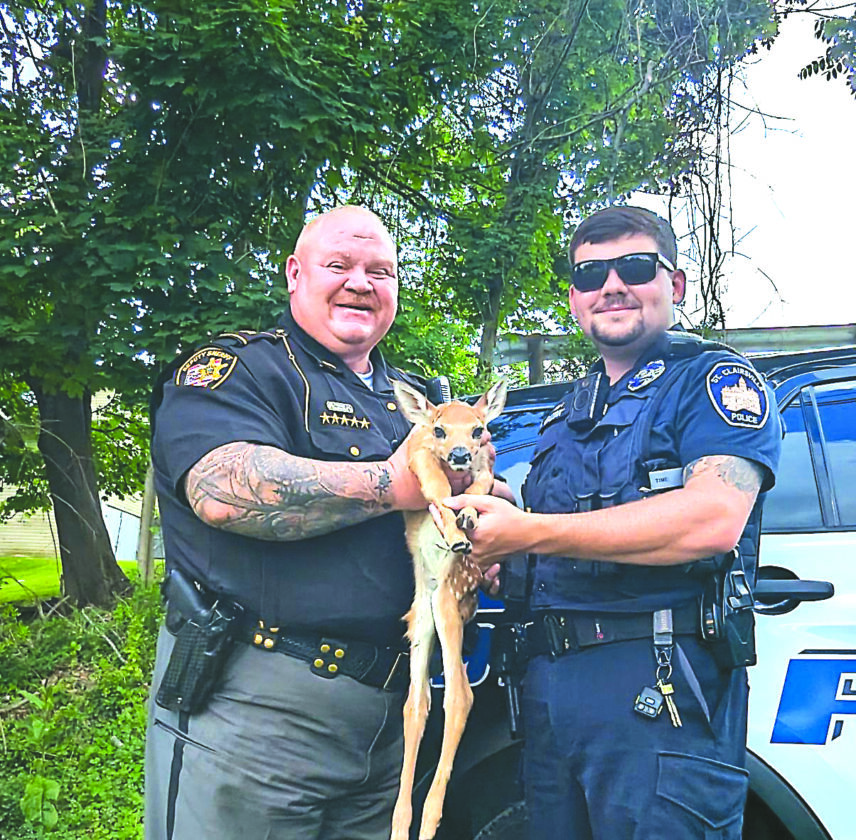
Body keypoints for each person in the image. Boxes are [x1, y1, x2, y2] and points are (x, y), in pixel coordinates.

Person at [144, 206, 500, 840]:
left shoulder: (416, 400)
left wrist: (480, 547)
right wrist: (397, 485)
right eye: (338, 265)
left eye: (379, 271)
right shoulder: (244, 370)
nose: (360, 282)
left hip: (391, 722)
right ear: (294, 273)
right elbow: (221, 490)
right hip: (256, 712)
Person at [447, 206, 782, 839]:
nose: (612, 285)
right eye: (591, 273)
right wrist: (500, 555)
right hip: (548, 698)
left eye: (633, 266)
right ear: (573, 299)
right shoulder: (564, 415)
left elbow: (710, 521)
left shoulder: (711, 383)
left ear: (674, 285)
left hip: (658, 697)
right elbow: (549, 552)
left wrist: (531, 532)